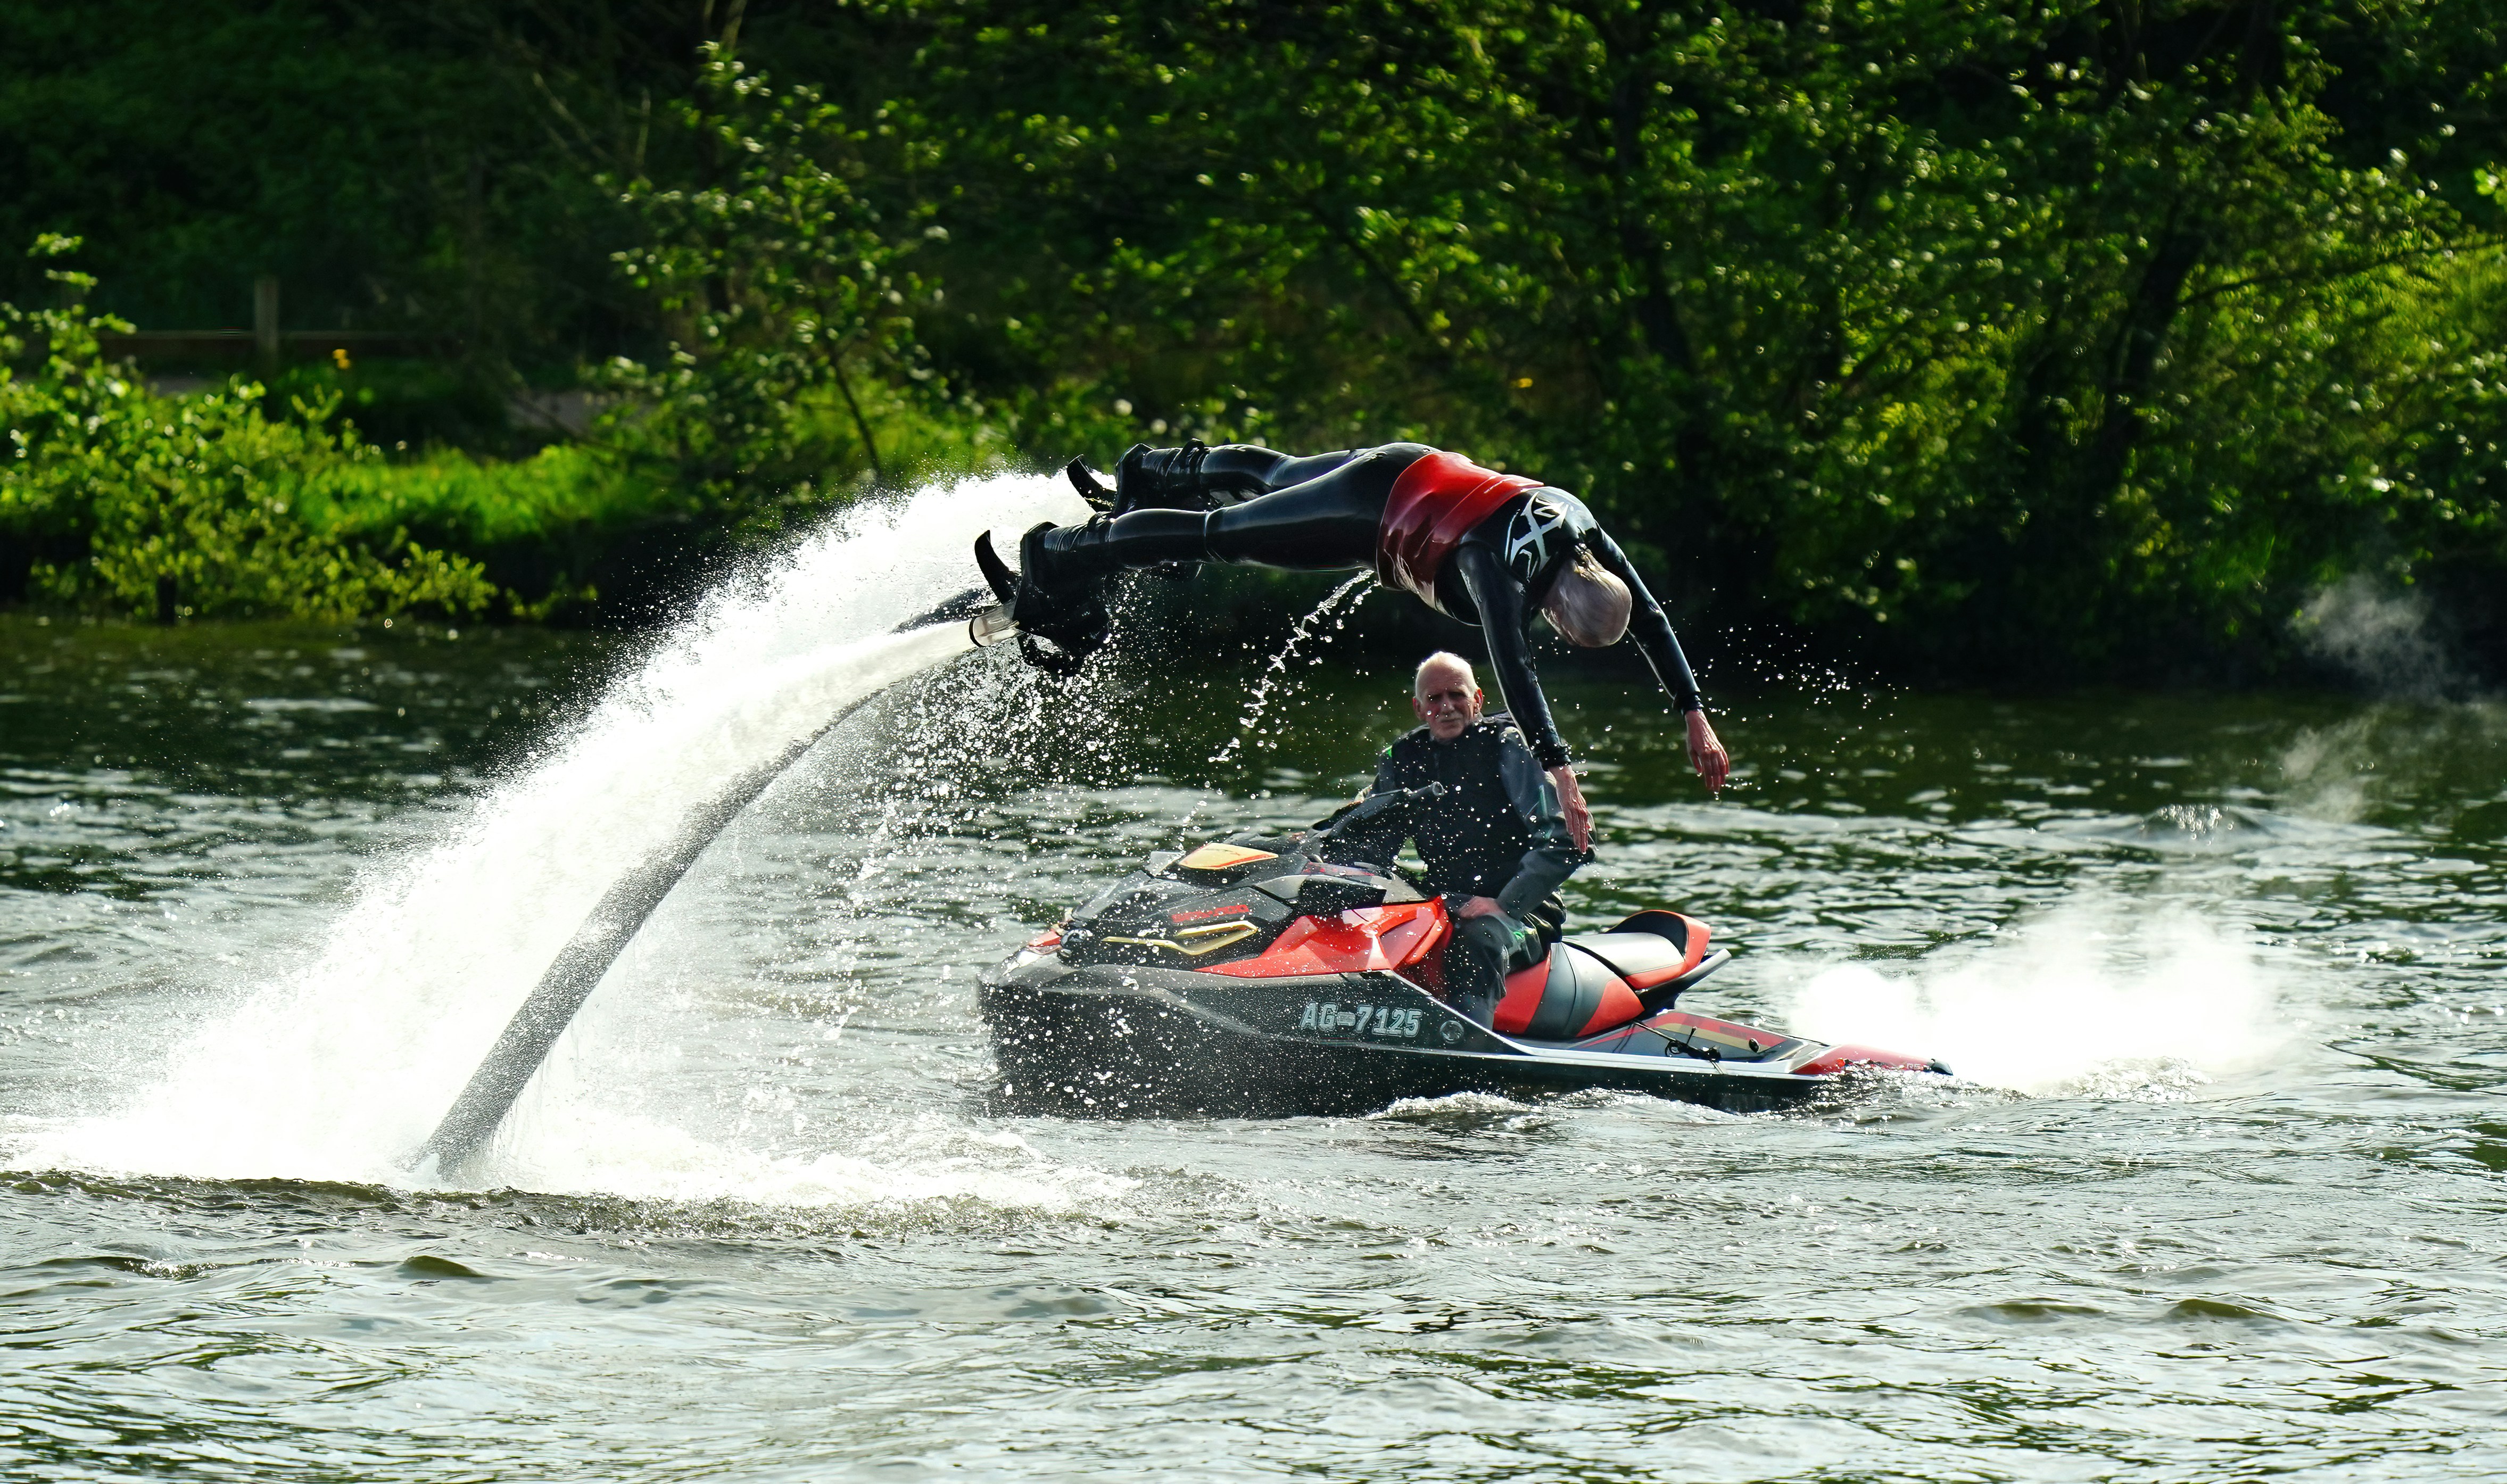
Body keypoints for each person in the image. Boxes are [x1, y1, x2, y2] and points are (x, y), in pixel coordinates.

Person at [983, 438, 1731, 850]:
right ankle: (1062, 558)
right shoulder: (1500, 574)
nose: (1553, 635)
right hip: (1365, 516)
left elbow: (1653, 619)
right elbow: (1515, 668)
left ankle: (1150, 473)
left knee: (1271, 475)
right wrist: (1560, 772)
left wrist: (1692, 710)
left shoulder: (1576, 525)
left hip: (1403, 463)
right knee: (1224, 537)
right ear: (1559, 607)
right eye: (1563, 629)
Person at [1330, 652, 1579, 1027]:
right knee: (1358, 920)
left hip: (1521, 909)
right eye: (1434, 699)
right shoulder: (1401, 758)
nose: (1446, 707)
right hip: (1445, 898)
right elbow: (1372, 842)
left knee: (1476, 941)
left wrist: (1504, 903)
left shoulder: (1511, 746)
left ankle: (1468, 1054)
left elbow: (1567, 839)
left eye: (1457, 695)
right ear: (1418, 708)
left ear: (1477, 699)